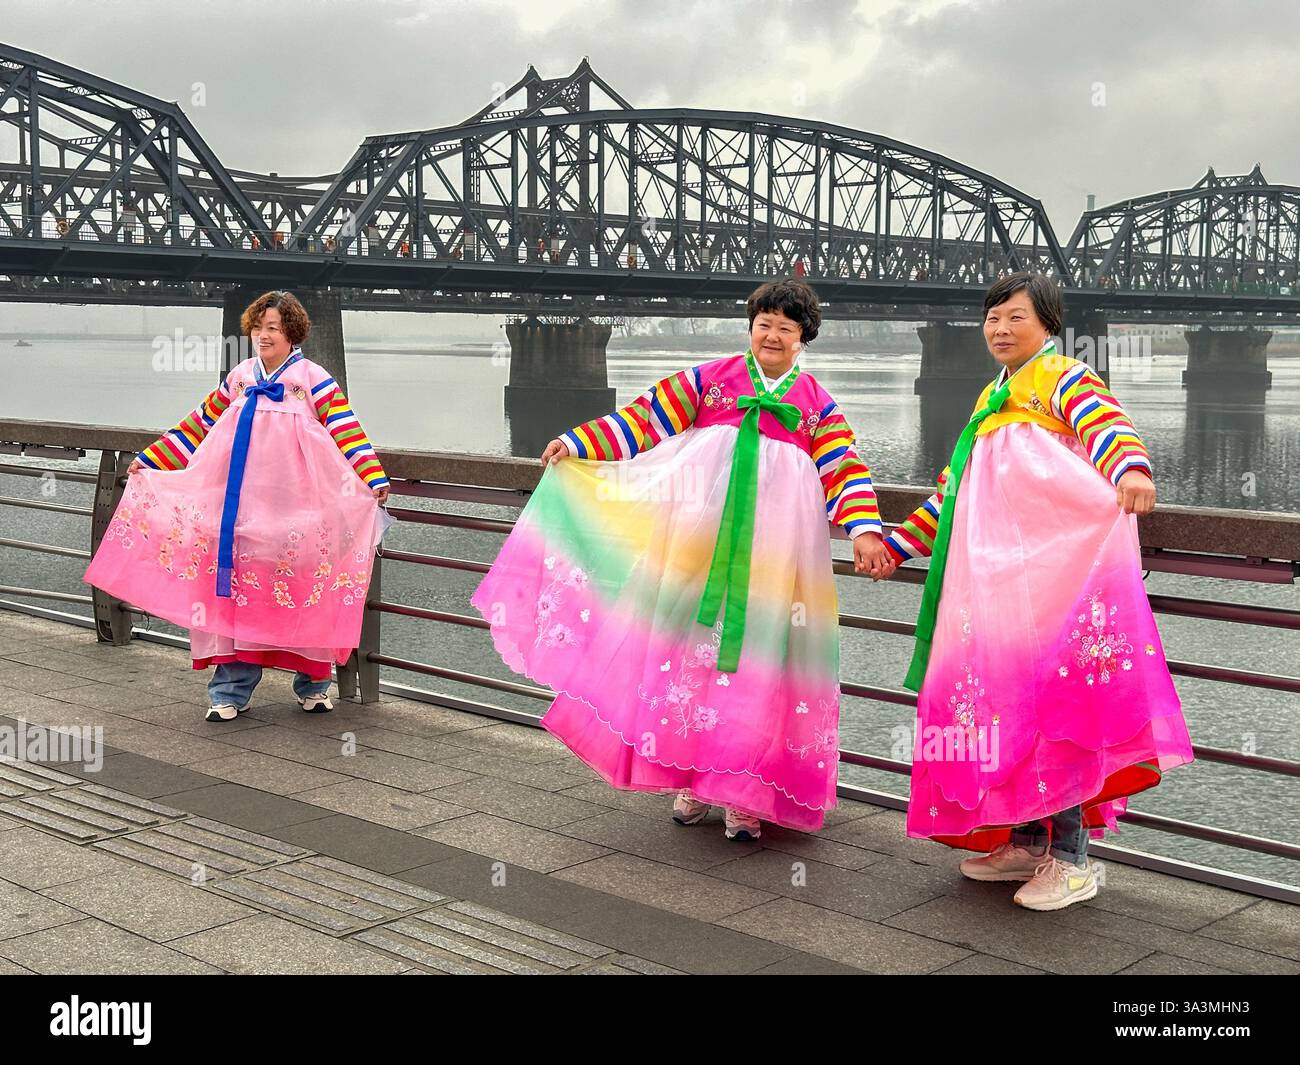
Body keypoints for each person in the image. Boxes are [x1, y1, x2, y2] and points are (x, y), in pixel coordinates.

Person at [472, 278, 894, 840]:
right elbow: (643, 421)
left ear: (803, 339)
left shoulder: (816, 404)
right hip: (695, 550)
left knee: (758, 669)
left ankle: (742, 794)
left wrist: (865, 530)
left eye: (785, 329)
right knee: (687, 662)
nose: (771, 335)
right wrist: (579, 445)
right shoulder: (710, 380)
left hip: (775, 564)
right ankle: (690, 782)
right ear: (751, 327)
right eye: (763, 323)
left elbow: (844, 471)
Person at [883, 271, 1193, 911]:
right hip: (996, 589)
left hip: (1051, 586)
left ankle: (1074, 860)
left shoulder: (1064, 377)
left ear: (1048, 325)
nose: (1000, 329)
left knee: (1060, 715)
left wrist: (1130, 468)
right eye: (993, 318)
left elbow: (1107, 427)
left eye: (1015, 318)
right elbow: (951, 492)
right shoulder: (987, 400)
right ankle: (1026, 839)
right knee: (1005, 709)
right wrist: (896, 545)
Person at [84, 290, 392, 722]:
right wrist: (152, 459)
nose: (262, 336)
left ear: (292, 333)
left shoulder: (312, 378)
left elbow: (347, 429)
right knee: (235, 594)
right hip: (238, 511)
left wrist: (373, 477)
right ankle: (230, 690)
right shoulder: (240, 378)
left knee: (300, 587)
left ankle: (313, 684)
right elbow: (198, 424)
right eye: (258, 327)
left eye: (273, 328)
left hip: (296, 511)